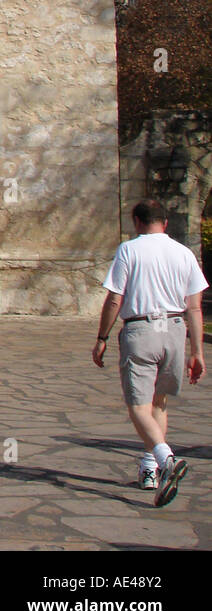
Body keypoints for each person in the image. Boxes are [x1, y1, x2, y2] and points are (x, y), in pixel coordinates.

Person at [92, 198, 207, 507]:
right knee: (159, 402)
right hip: (173, 329)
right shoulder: (184, 254)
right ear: (165, 223)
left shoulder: (129, 250)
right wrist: (197, 351)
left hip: (141, 330)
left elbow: (114, 299)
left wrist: (102, 336)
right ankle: (150, 468)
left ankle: (165, 459)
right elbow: (194, 306)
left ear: (137, 222)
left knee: (138, 407)